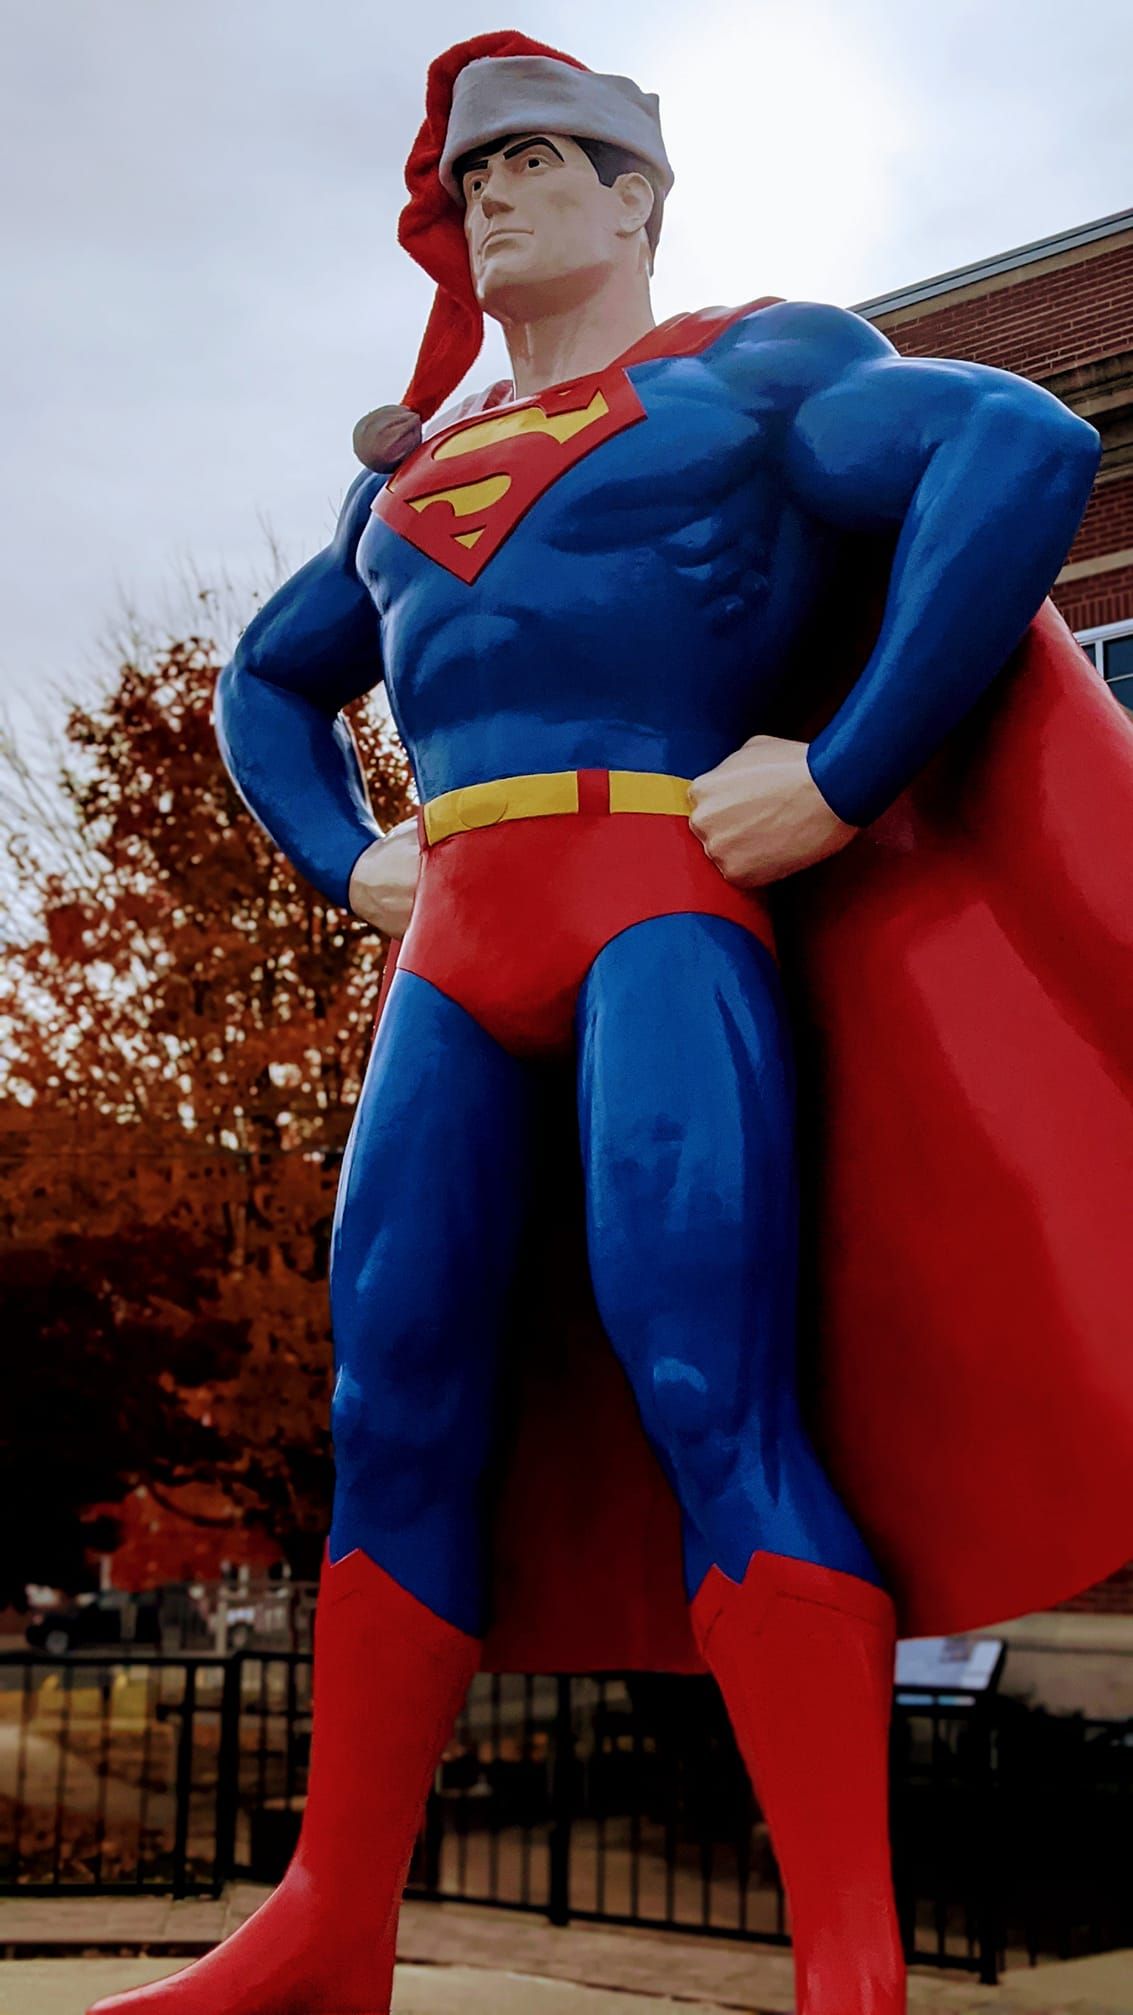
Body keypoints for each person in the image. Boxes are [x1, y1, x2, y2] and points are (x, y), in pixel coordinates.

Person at [90, 30, 1127, 2015]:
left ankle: (848, 1959)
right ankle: (331, 1924)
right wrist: (342, 854)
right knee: (390, 1415)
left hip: (661, 914)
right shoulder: (413, 483)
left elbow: (1018, 451)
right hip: (458, 945)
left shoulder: (751, 374)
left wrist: (842, 769)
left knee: (711, 1396)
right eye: (477, 177)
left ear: (640, 197)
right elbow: (263, 681)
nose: (494, 197)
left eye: (542, 163)